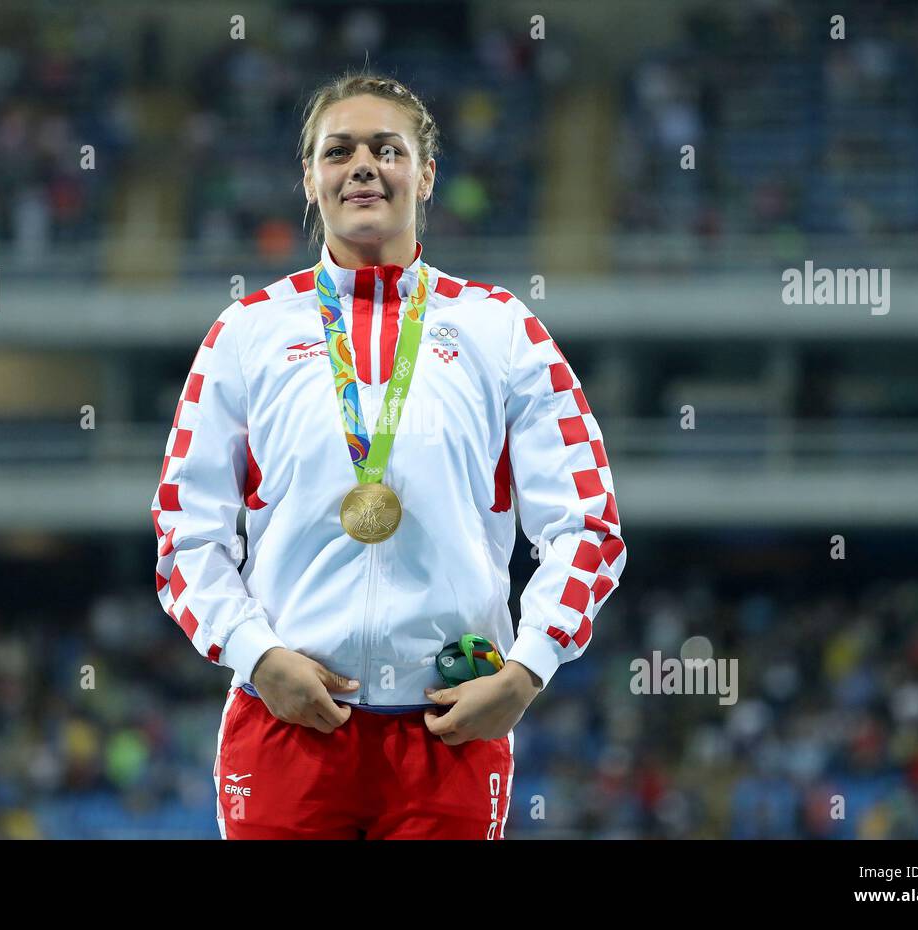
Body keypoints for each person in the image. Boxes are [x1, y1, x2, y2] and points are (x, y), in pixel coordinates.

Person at [151, 72, 625, 839]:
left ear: (426, 173)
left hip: (451, 727)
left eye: (387, 148)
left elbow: (589, 524)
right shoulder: (244, 333)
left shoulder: (502, 331)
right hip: (286, 722)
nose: (363, 165)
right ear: (309, 178)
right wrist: (256, 654)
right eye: (338, 151)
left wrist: (528, 669)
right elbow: (184, 531)